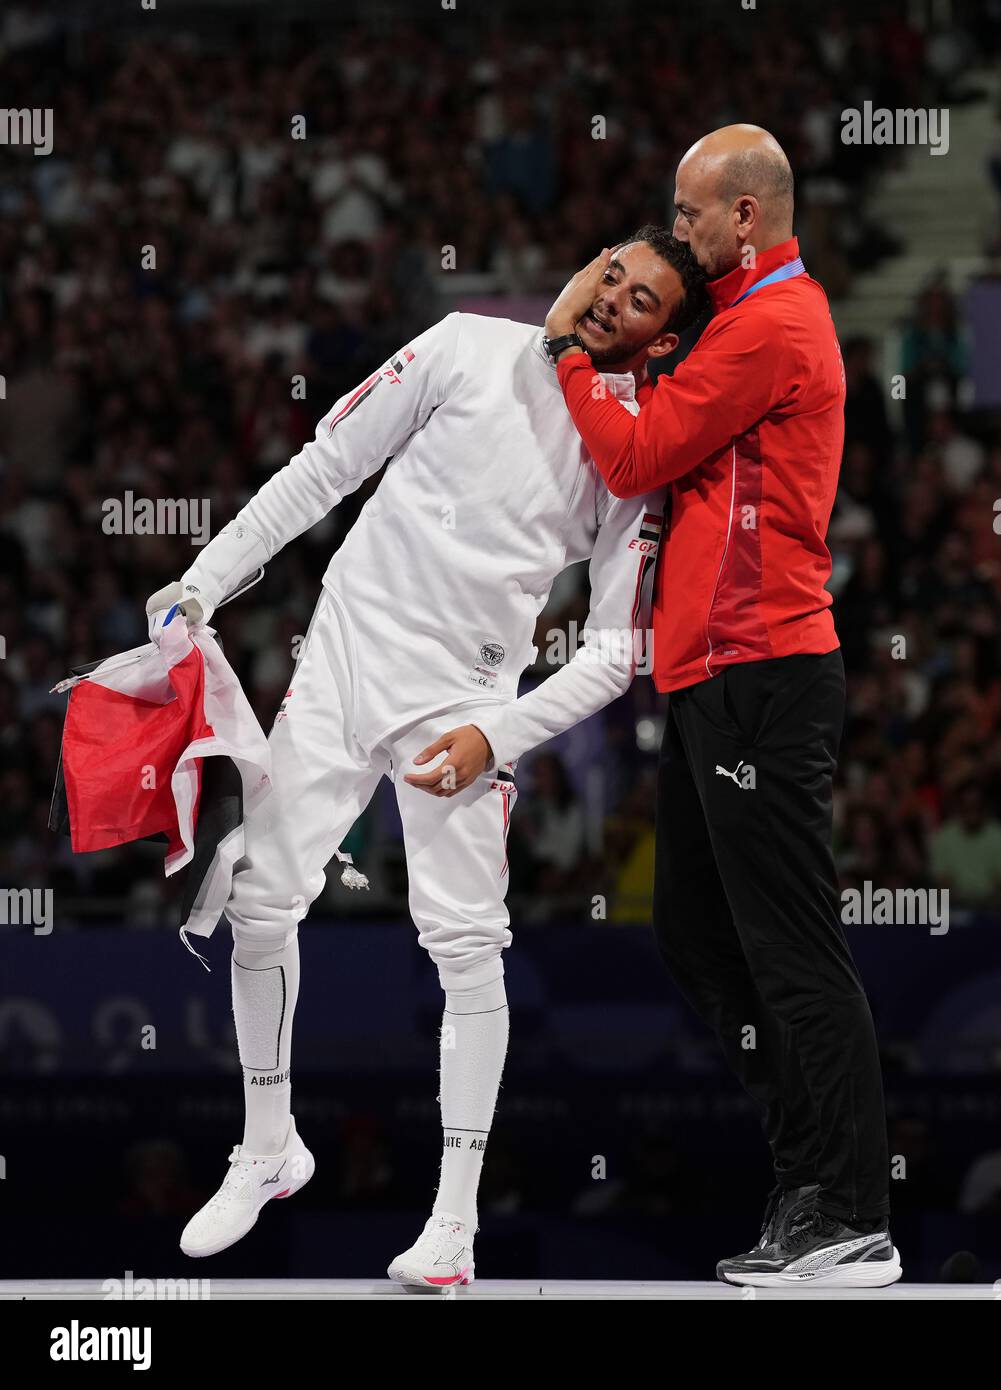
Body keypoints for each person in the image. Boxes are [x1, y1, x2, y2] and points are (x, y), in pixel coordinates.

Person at [144, 225, 706, 1287]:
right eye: (610, 276)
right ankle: (269, 1145)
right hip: (343, 659)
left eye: (640, 304)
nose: (610, 300)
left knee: (465, 946)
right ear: (585, 266)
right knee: (260, 900)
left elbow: (612, 659)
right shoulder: (459, 345)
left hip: (460, 706)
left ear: (661, 343)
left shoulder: (634, 461)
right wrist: (205, 578)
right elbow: (323, 471)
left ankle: (454, 1223)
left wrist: (495, 733)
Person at [540, 125, 898, 1287]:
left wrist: (566, 360)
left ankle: (849, 1212)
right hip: (711, 676)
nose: (677, 229)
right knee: (696, 935)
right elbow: (652, 369)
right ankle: (812, 1188)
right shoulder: (736, 317)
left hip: (760, 667)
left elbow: (638, 456)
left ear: (746, 215)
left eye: (691, 213)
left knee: (792, 945)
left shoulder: (779, 324)